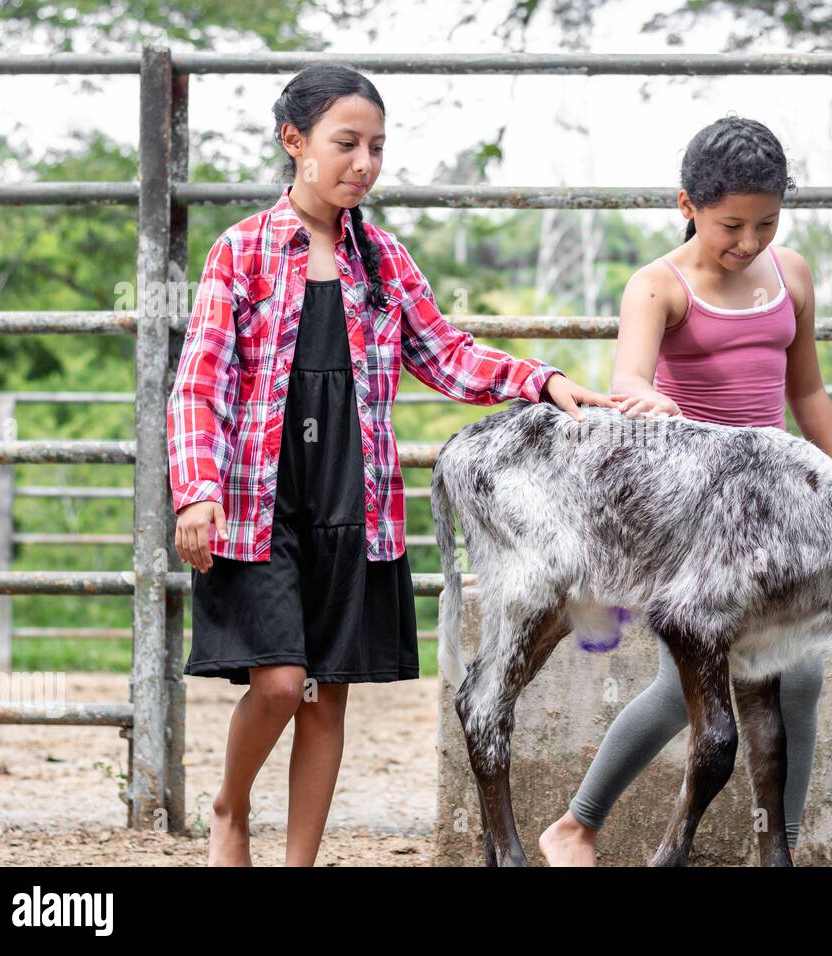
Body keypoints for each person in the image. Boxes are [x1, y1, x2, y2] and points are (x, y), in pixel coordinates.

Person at [167, 63, 615, 867]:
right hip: (256, 497)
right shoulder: (240, 252)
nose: (364, 164)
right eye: (346, 144)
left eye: (376, 147)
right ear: (294, 141)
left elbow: (444, 354)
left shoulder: (385, 260)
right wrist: (196, 492)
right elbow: (197, 382)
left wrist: (539, 379)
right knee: (278, 683)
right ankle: (230, 811)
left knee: (327, 695)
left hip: (353, 497)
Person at [539, 116, 832, 866]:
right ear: (687, 203)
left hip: (779, 510)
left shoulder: (794, 274)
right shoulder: (659, 285)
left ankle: (777, 846)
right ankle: (577, 824)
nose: (749, 242)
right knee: (684, 684)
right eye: (730, 225)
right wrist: (646, 400)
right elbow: (627, 380)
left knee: (800, 673)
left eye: (767, 223)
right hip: (694, 517)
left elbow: (806, 390)